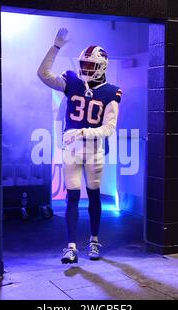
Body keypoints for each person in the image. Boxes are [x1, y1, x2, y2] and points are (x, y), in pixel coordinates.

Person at [37, 28, 122, 264]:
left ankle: (94, 241)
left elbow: (109, 129)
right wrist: (55, 47)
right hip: (72, 151)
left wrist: (82, 132)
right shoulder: (72, 81)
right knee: (72, 196)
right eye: (83, 64)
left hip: (94, 150)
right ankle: (71, 247)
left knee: (94, 195)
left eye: (90, 65)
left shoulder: (111, 92)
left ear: (102, 66)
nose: (85, 69)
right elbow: (43, 74)